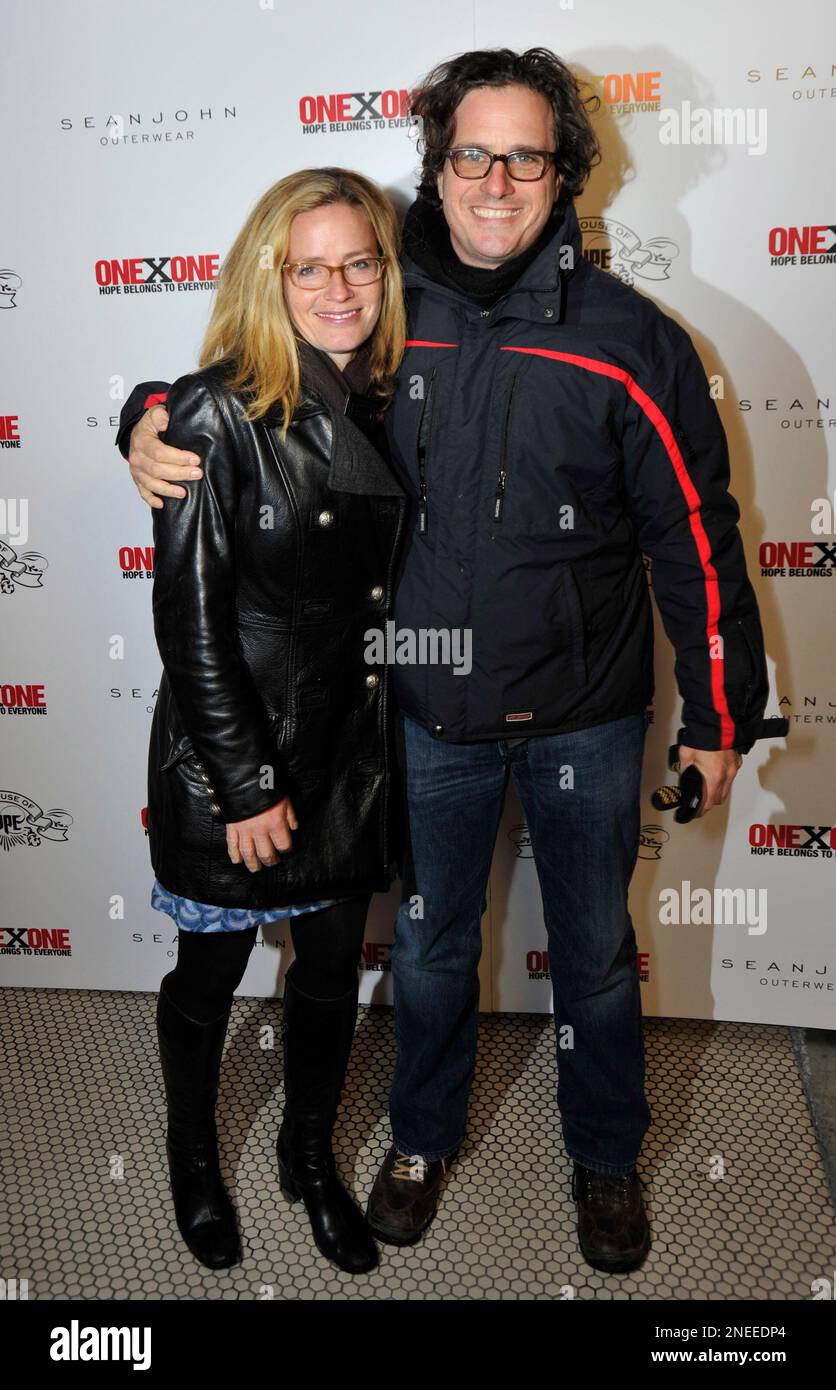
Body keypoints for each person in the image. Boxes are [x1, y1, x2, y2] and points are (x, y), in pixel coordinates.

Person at [115, 48, 768, 1275]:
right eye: (471, 152)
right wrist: (147, 408)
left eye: (525, 155)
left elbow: (694, 531)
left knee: (592, 955)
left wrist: (720, 710)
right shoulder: (383, 303)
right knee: (422, 949)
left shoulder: (632, 339)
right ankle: (416, 1142)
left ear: (563, 171)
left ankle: (606, 1160)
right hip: (418, 708)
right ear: (436, 163)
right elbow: (259, 376)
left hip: (584, 707)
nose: (496, 179)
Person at [131, 166, 407, 1275]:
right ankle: (193, 1156)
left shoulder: (396, 393)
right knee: (209, 976)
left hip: (350, 756)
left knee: (331, 970)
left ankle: (308, 1155)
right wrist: (245, 785)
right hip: (234, 764)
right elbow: (189, 623)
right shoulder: (211, 411)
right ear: (270, 275)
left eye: (360, 261)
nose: (337, 287)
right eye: (310, 266)